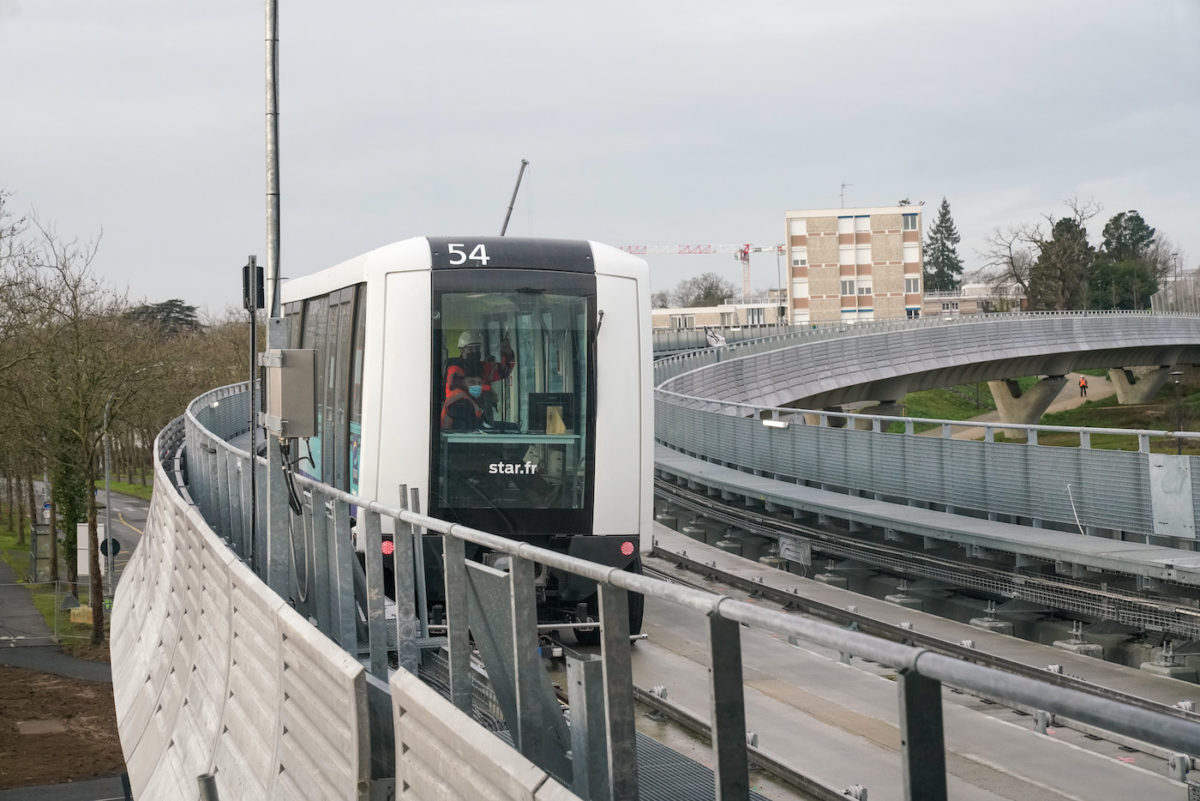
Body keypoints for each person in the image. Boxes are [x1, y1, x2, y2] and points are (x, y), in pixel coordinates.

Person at [442, 330, 515, 429]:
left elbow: (504, 371)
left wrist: (507, 353)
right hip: (456, 422)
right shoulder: (455, 368)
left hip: (479, 420)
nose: (475, 352)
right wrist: (487, 391)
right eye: (471, 349)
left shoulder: (482, 367)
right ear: (462, 350)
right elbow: (459, 387)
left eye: (477, 349)